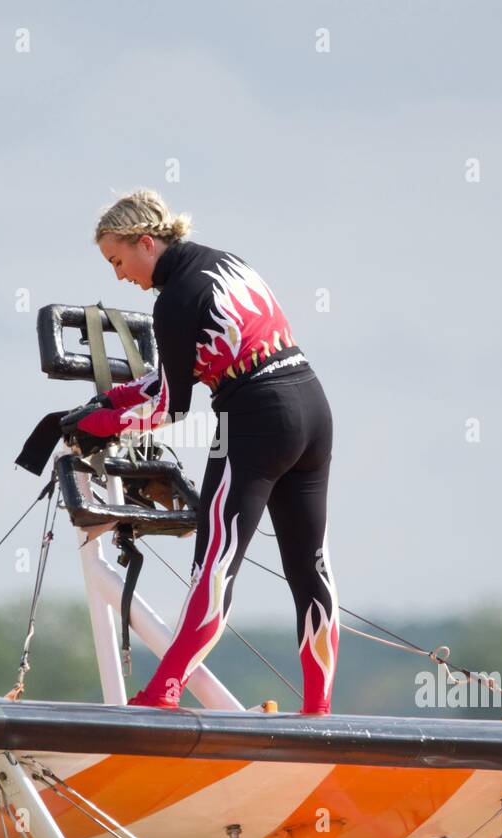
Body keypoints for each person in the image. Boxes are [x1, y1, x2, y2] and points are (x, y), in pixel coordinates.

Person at [71, 188, 339, 715]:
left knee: (216, 562)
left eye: (118, 260)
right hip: (311, 406)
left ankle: (164, 691)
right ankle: (318, 711)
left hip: (256, 419)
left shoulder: (175, 298)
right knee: (310, 566)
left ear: (146, 243)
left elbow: (171, 404)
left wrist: (99, 424)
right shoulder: (226, 262)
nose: (119, 275)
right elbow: (170, 375)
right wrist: (117, 398)